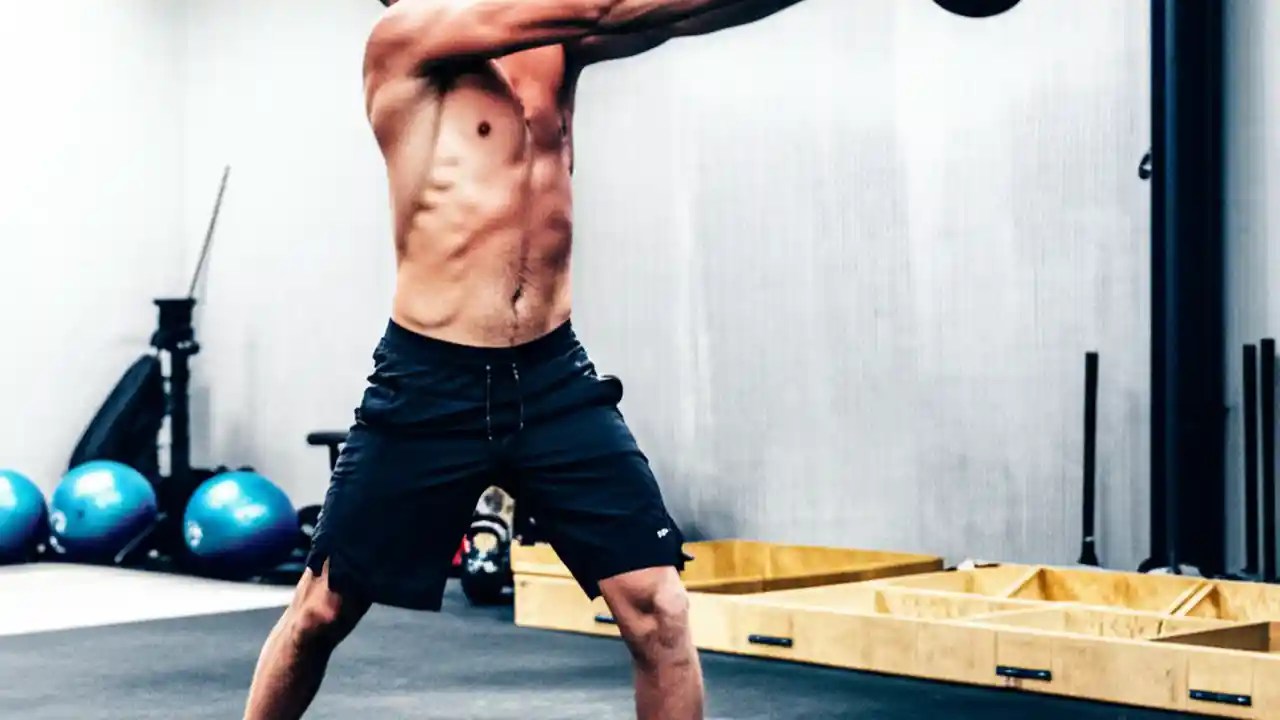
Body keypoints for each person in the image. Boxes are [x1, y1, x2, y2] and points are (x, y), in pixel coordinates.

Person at [243, 1, 807, 718]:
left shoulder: (552, 51)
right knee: (321, 611)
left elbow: (670, 15)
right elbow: (605, 3)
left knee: (657, 609)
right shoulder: (407, 42)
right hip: (430, 380)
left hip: (550, 378)